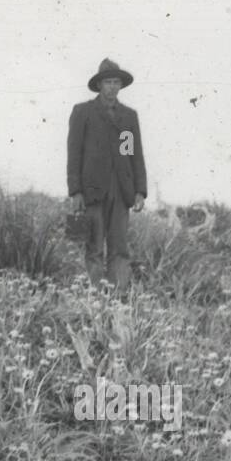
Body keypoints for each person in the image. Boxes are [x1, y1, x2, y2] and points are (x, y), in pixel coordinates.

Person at [66, 58, 147, 291]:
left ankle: (118, 296)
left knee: (119, 247)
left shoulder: (128, 116)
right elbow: (74, 154)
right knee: (93, 247)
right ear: (100, 85)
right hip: (92, 192)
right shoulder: (83, 112)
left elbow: (132, 154)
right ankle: (95, 295)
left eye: (116, 82)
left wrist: (139, 191)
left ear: (120, 86)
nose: (112, 86)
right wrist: (76, 191)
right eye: (108, 82)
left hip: (121, 192)